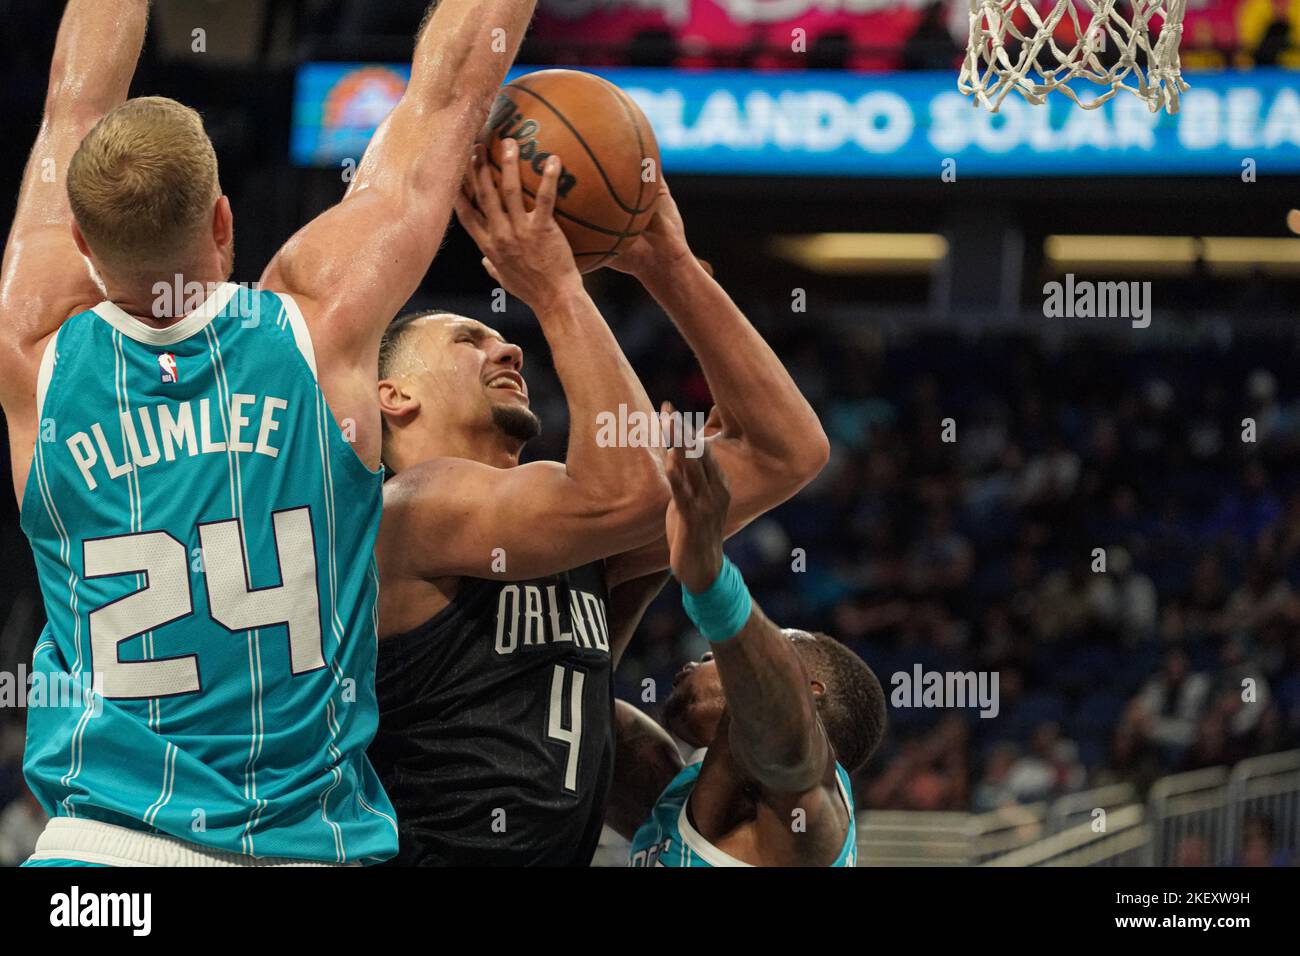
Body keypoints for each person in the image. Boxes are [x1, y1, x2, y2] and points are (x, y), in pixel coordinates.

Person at [0, 0, 537, 865]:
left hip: (98, 860)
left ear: (80, 240)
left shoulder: (32, 355)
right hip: (300, 846)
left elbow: (76, 104)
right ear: (222, 221)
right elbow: (448, 95)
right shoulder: (322, 331)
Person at [367, 160, 831, 864]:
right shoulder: (402, 512)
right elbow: (626, 492)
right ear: (393, 395)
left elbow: (786, 451)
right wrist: (555, 289)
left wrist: (668, 264)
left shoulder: (575, 530)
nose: (509, 345)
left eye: (499, 335)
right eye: (469, 339)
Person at [613, 440, 888, 866]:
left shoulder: (810, 814)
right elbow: (572, 692)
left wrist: (710, 581)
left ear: (809, 692)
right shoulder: (675, 796)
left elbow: (782, 720)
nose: (710, 656)